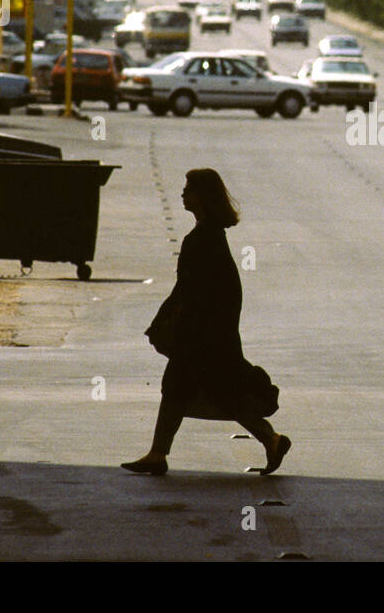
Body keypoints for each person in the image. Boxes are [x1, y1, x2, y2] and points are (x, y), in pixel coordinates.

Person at [121, 168, 290, 476]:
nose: (183, 193)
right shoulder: (210, 235)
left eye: (189, 189)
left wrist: (167, 322)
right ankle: (270, 439)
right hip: (211, 331)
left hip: (203, 334)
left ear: (203, 196)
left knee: (194, 389)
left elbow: (188, 288)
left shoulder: (202, 239)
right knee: (211, 390)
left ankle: (159, 454)